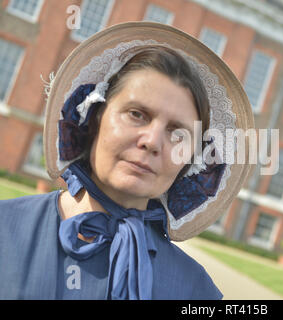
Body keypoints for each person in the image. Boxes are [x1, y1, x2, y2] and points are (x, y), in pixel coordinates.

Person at [0, 22, 254, 300]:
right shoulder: (6, 227)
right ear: (95, 115)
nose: (152, 141)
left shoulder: (196, 291)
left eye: (178, 133)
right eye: (137, 114)